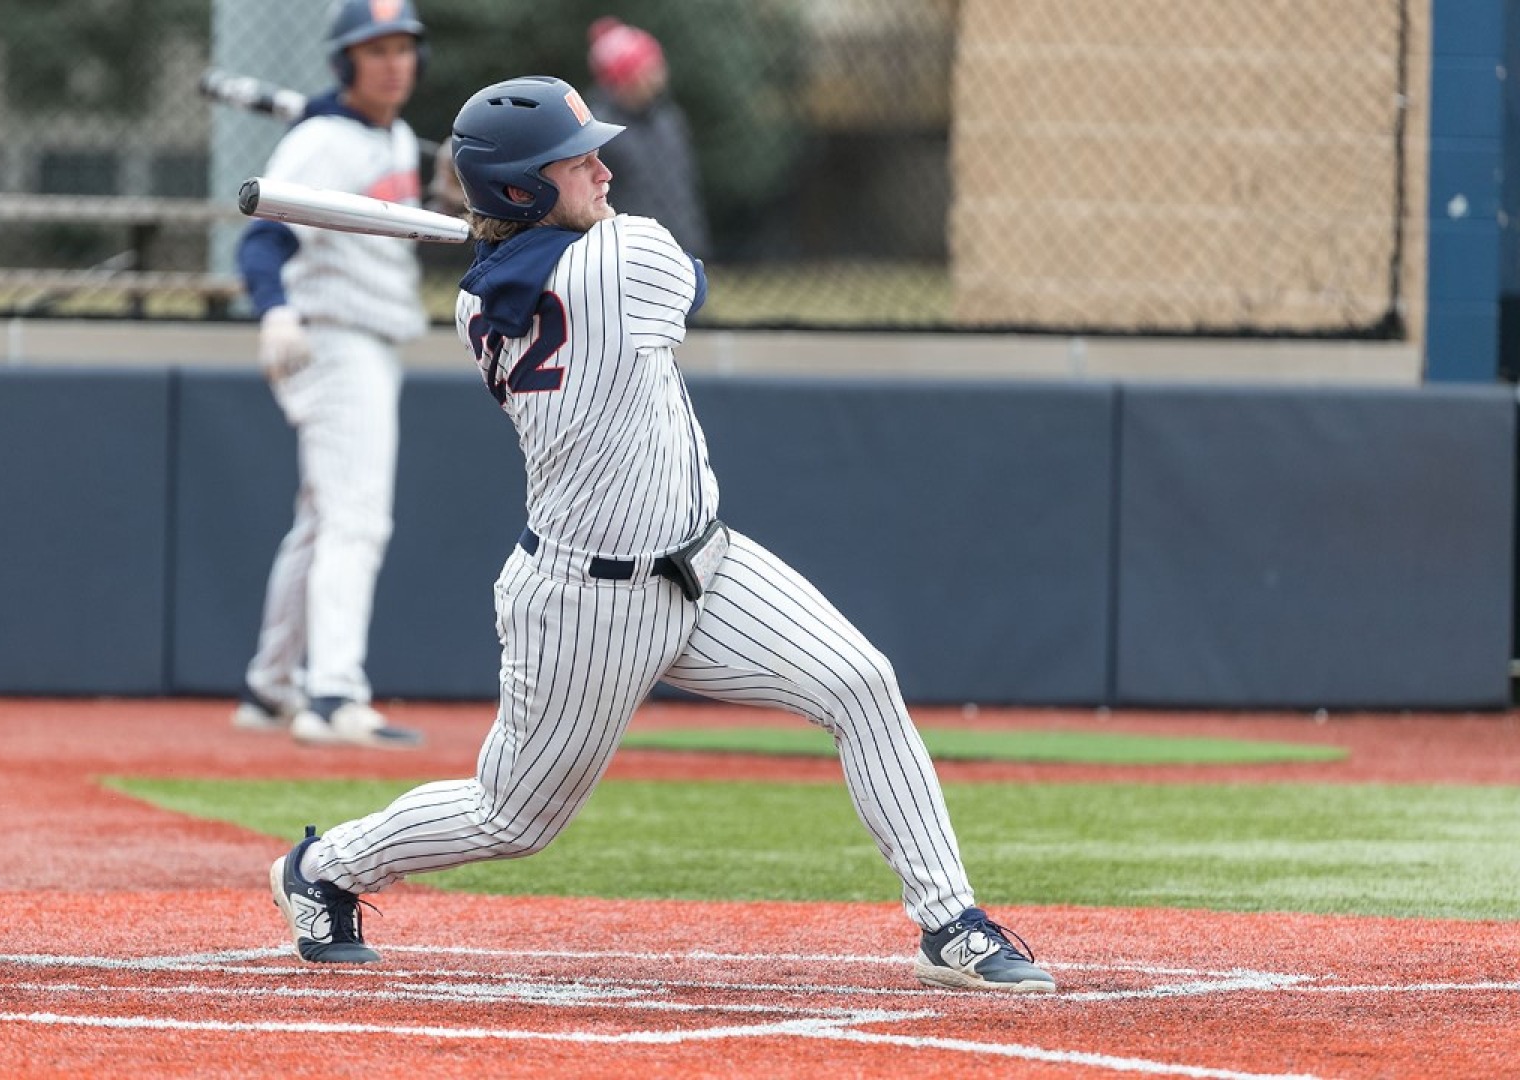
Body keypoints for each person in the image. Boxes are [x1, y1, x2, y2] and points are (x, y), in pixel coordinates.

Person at [265, 76, 1056, 994]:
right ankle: (325, 870)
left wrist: (521, 232)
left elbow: (536, 276)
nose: (606, 169)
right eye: (578, 161)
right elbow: (696, 282)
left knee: (861, 682)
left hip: (705, 565)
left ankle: (950, 922)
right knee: (511, 820)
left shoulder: (483, 299)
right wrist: (542, 238)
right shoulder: (623, 257)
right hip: (586, 603)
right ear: (521, 192)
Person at [230, 0, 429, 749]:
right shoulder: (319, 141)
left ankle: (271, 684)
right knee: (357, 518)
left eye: (403, 49)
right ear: (346, 62)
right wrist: (273, 311)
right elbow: (261, 242)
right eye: (374, 51)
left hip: (368, 339)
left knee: (322, 520)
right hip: (332, 339)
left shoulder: (392, 135)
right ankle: (334, 693)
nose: (393, 63)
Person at [581, 17, 710, 258]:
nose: (658, 76)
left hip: (683, 246)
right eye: (648, 69)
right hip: (630, 254)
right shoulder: (598, 130)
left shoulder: (668, 119)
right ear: (624, 77)